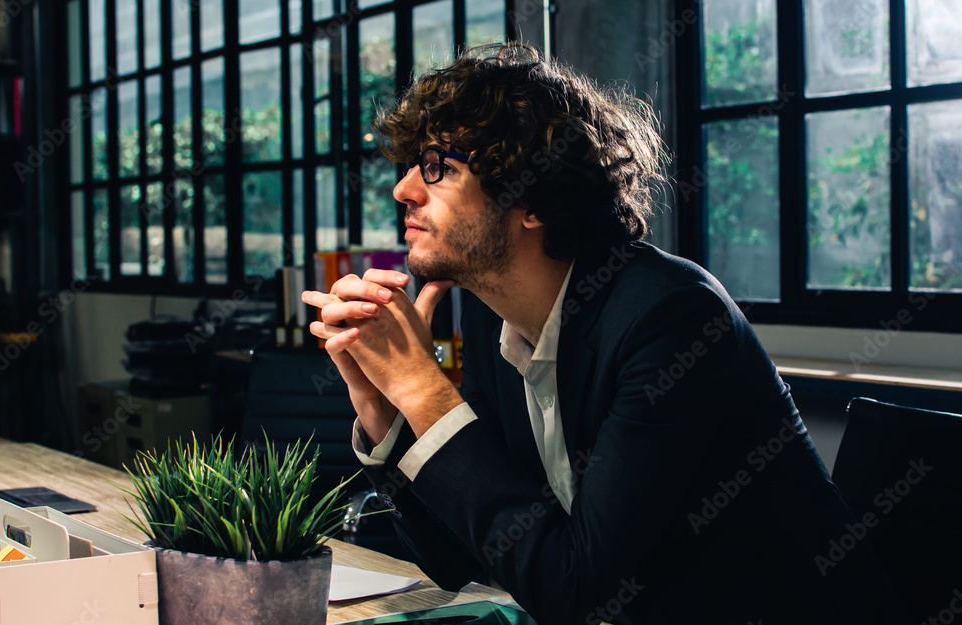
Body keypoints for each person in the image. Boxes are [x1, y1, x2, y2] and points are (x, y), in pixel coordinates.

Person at [302, 43, 908, 625]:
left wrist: (424, 391)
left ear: (533, 197)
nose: (402, 188)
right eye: (412, 165)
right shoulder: (493, 314)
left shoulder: (671, 319)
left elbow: (580, 590)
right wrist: (388, 414)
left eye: (438, 168)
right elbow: (461, 558)